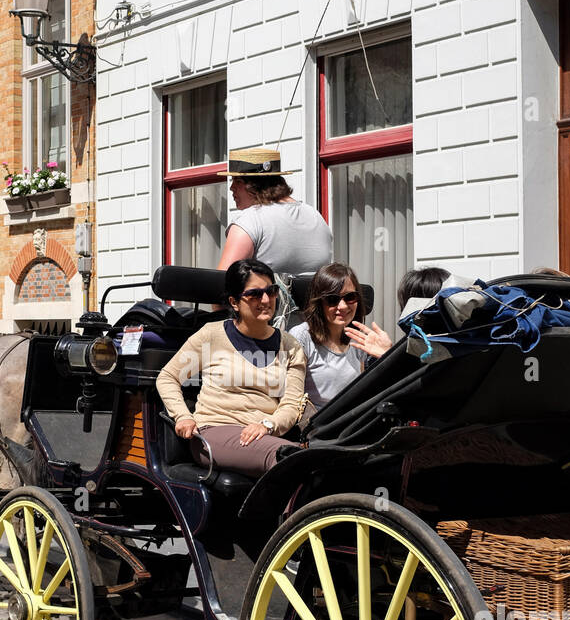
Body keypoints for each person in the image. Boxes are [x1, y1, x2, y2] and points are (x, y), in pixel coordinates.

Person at [156, 259, 307, 478]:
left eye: (271, 291)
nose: (265, 300)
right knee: (285, 457)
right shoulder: (211, 335)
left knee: (311, 459)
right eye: (254, 294)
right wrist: (183, 416)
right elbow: (168, 377)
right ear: (234, 302)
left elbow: (291, 404)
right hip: (215, 432)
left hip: (266, 433)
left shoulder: (290, 346)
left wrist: (268, 424)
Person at [216, 148, 332, 283]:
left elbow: (222, 286)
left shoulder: (249, 221)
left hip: (268, 303)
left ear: (256, 185)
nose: (232, 187)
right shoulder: (315, 216)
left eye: (238, 181)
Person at [289, 263, 393, 410]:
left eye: (350, 297)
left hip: (349, 423)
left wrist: (387, 356)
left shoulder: (357, 339)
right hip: (315, 426)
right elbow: (288, 396)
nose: (343, 306)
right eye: (332, 299)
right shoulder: (301, 336)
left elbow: (364, 393)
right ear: (319, 302)